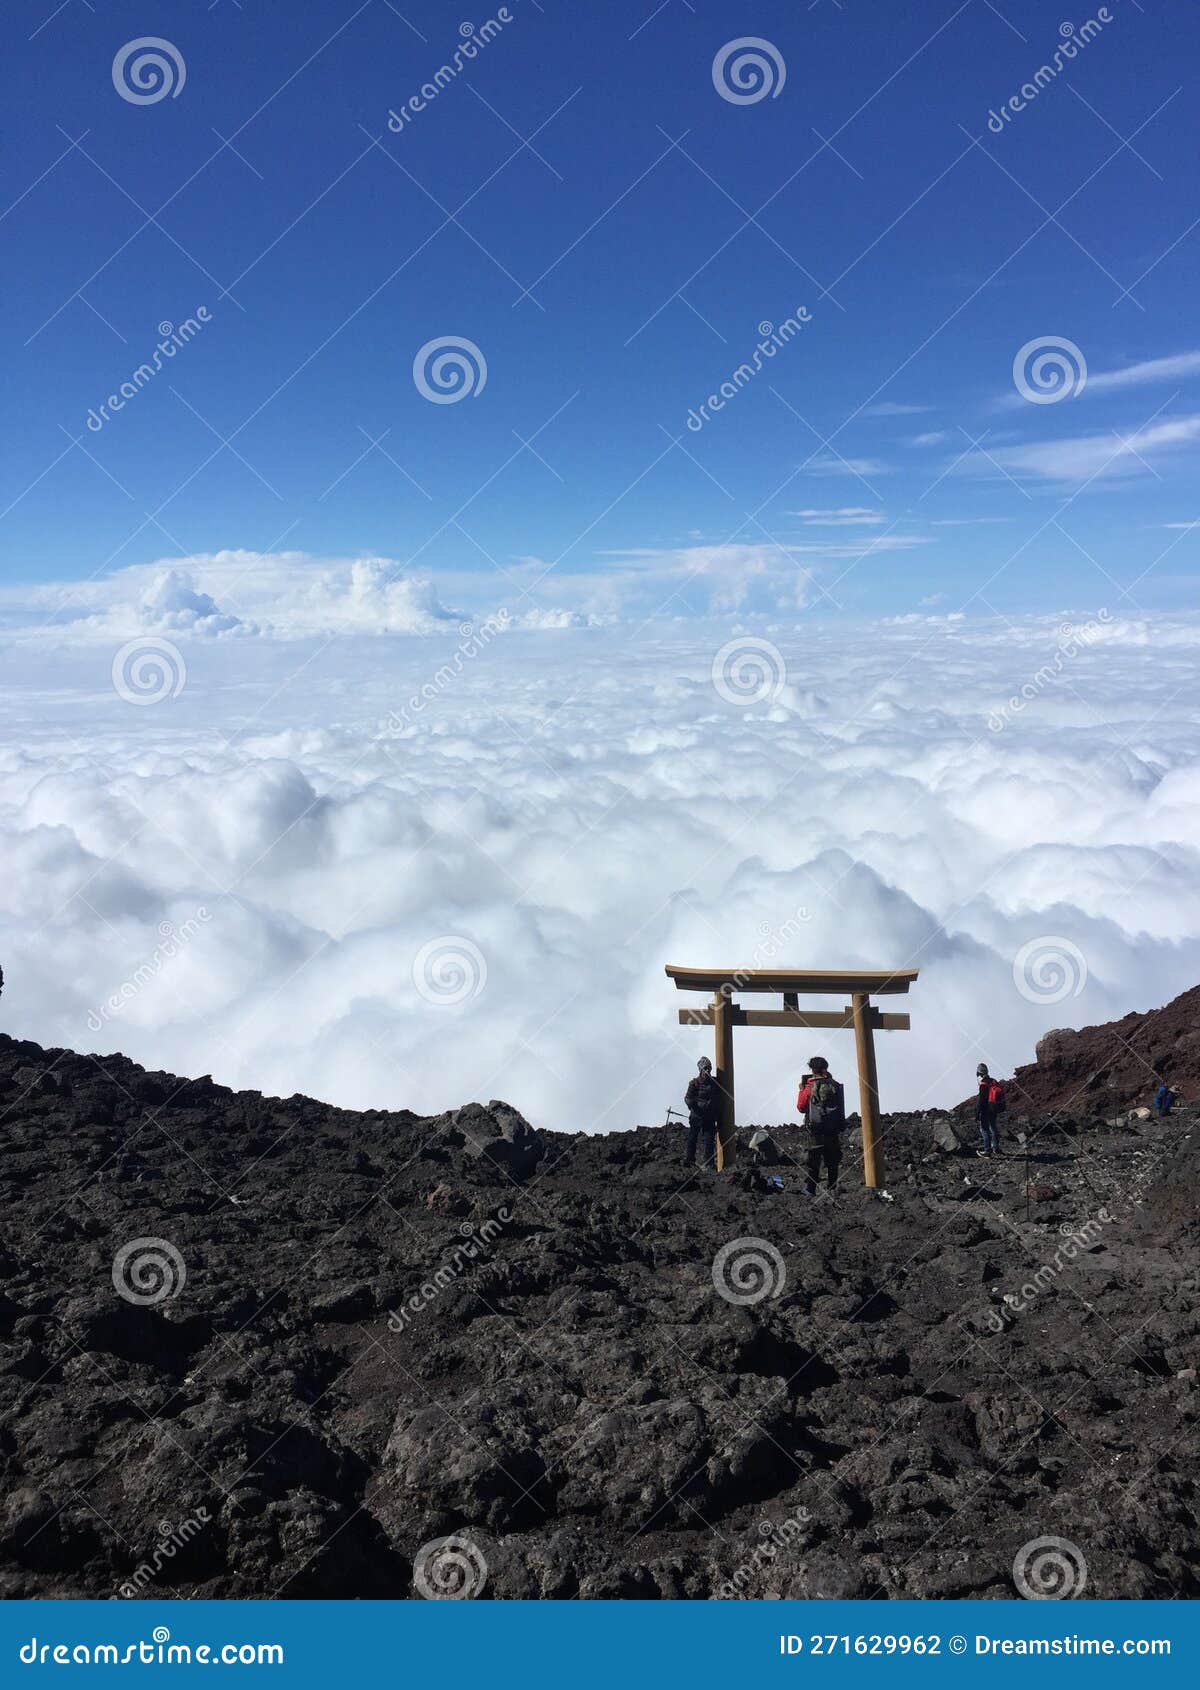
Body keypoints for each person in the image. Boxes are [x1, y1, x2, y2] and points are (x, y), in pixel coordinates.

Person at [796, 1056, 845, 1195]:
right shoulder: (835, 1085)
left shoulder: (809, 1087)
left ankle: (810, 1189)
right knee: (832, 1160)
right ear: (826, 1069)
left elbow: (801, 1107)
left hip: (815, 1130)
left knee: (813, 1161)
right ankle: (832, 1188)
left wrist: (801, 1090)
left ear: (812, 1070)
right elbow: (840, 1106)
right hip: (832, 1129)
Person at [684, 1056, 719, 1169]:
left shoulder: (715, 1083)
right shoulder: (694, 1083)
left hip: (709, 1117)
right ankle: (690, 1160)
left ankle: (709, 1164)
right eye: (705, 1068)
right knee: (693, 1137)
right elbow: (688, 1098)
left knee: (709, 1140)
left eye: (709, 1068)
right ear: (700, 1070)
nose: (707, 1071)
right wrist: (695, 1107)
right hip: (696, 1116)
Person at [976, 1062, 1004, 1157]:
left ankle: (987, 1151)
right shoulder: (993, 1081)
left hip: (986, 1110)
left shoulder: (983, 1083)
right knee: (993, 1127)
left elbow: (982, 1100)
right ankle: (996, 1148)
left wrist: (978, 1113)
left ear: (979, 1073)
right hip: (994, 1108)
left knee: (984, 1129)